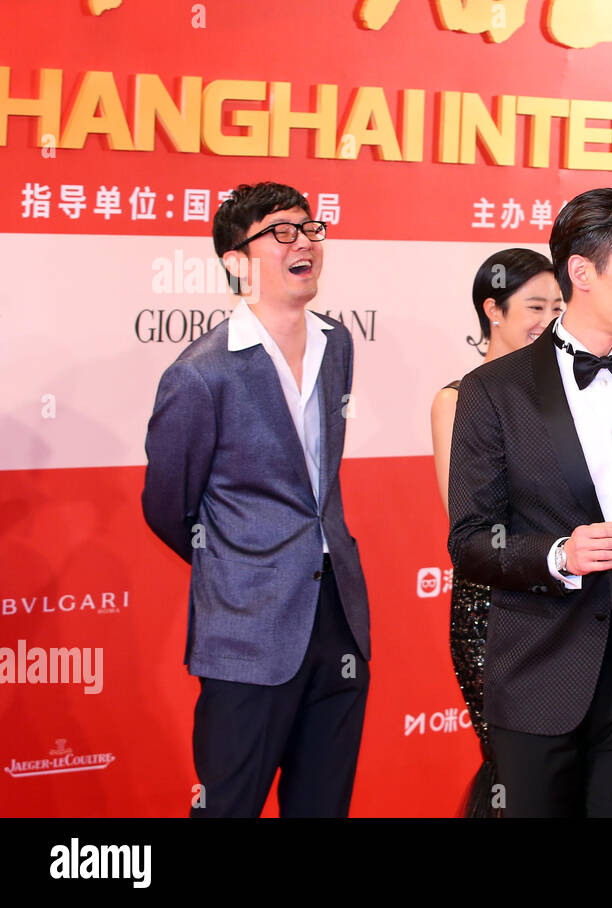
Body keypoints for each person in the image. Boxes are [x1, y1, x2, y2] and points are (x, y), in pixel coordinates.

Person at [447, 187, 612, 817]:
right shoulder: (494, 391)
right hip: (537, 676)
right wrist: (559, 555)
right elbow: (470, 540)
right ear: (583, 271)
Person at [142, 182, 370, 817]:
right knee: (228, 806)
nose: (303, 243)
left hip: (338, 614)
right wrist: (240, 565)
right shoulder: (200, 373)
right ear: (237, 261)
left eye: (308, 227)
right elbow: (168, 506)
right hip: (248, 628)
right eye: (281, 232)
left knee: (323, 804)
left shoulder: (338, 346)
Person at [430, 248, 564, 817]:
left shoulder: (566, 396)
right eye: (535, 306)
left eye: (559, 307)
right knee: (513, 770)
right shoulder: (458, 400)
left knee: (560, 774)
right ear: (493, 310)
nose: (549, 321)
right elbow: (470, 527)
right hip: (496, 612)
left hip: (569, 605)